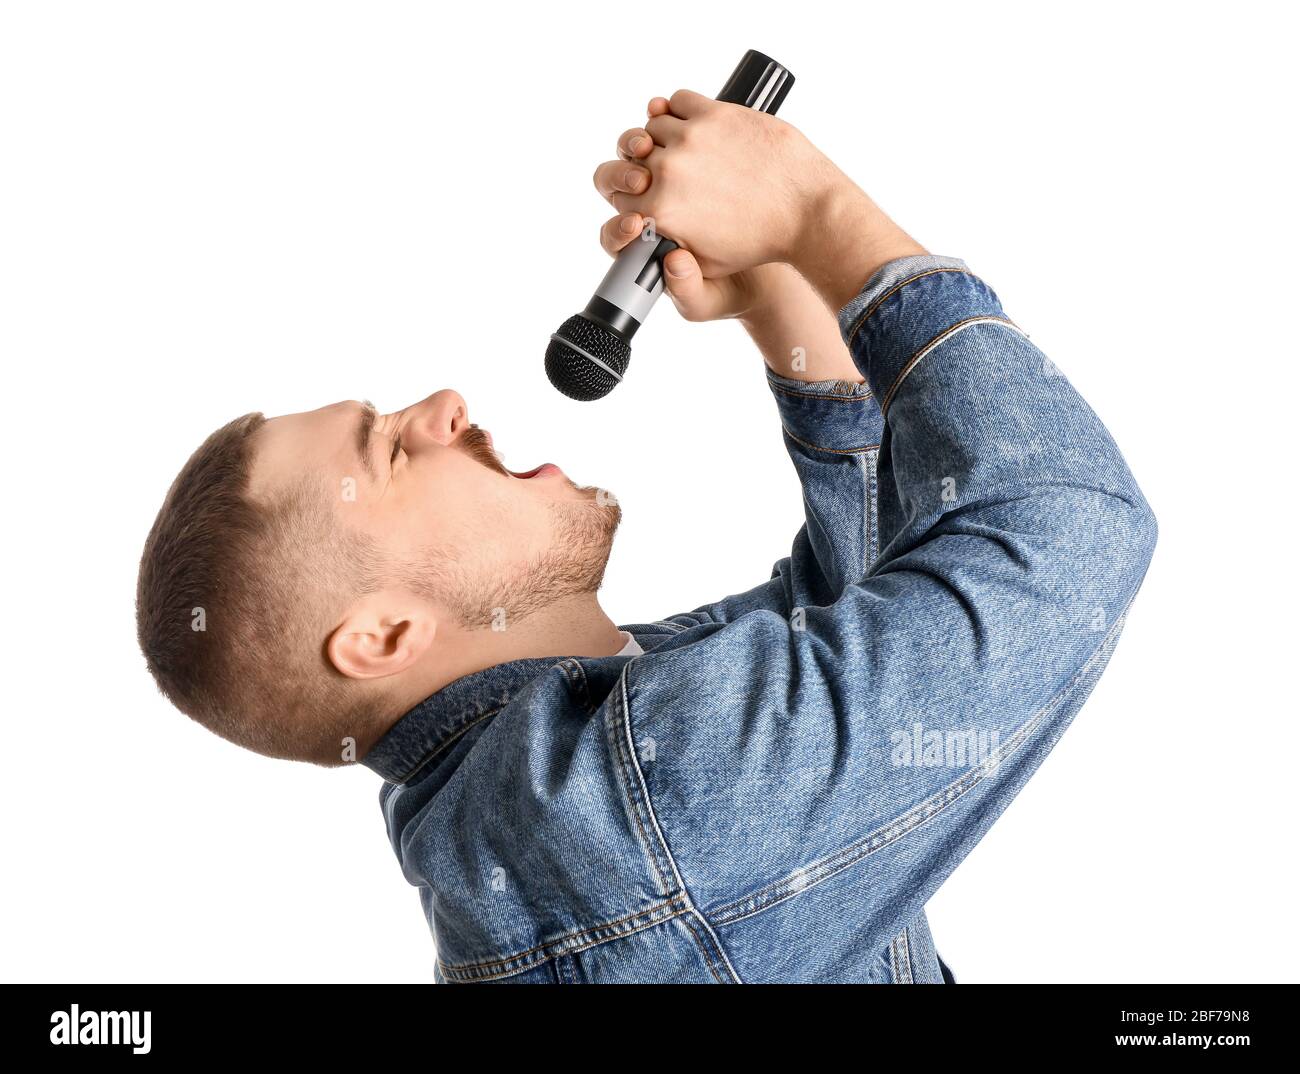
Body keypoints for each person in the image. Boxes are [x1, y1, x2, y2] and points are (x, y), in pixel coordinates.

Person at [136, 90, 1156, 983]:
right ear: (383, 639)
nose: (444, 402)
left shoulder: (566, 776)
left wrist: (781, 295)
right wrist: (817, 211)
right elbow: (1065, 533)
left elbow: (871, 610)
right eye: (390, 451)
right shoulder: (636, 818)